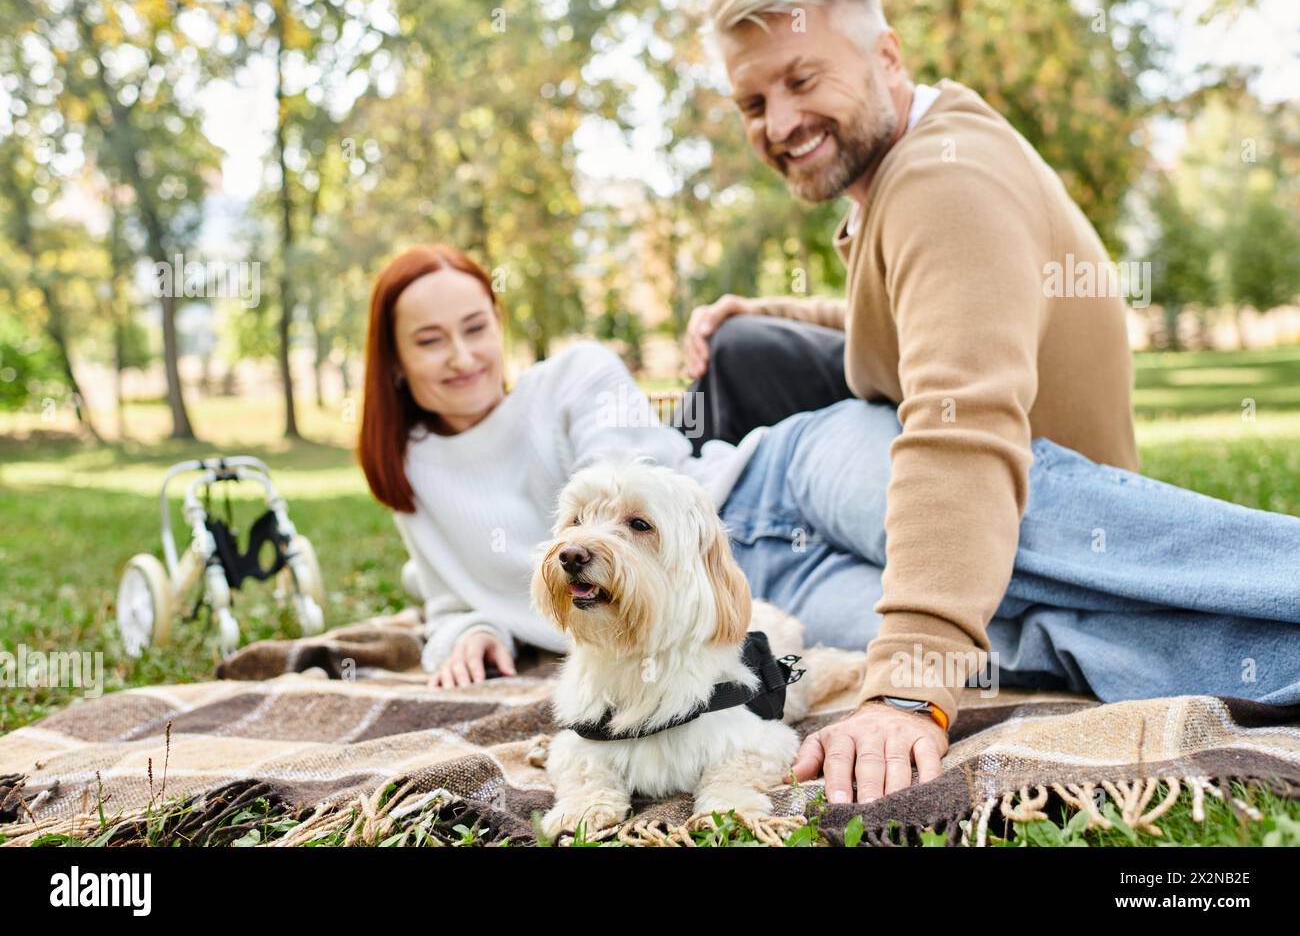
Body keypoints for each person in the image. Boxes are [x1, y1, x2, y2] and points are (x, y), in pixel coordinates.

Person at [357, 243, 1300, 805]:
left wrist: (594, 539)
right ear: (395, 364)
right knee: (1003, 638)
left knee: (1030, 529)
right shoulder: (415, 479)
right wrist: (468, 626)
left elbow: (629, 477)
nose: (464, 355)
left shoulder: (573, 379)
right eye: (431, 340)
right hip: (775, 597)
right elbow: (447, 589)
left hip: (768, 486)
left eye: (476, 325)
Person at [681, 0, 1144, 796]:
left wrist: (911, 678)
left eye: (800, 80)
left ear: (885, 55)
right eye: (752, 102)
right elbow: (907, 319)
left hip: (1028, 527)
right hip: (976, 502)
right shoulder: (927, 147)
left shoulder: (945, 184)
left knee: (757, 561)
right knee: (743, 349)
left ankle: (721, 557)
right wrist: (762, 311)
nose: (779, 124)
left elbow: (961, 423)